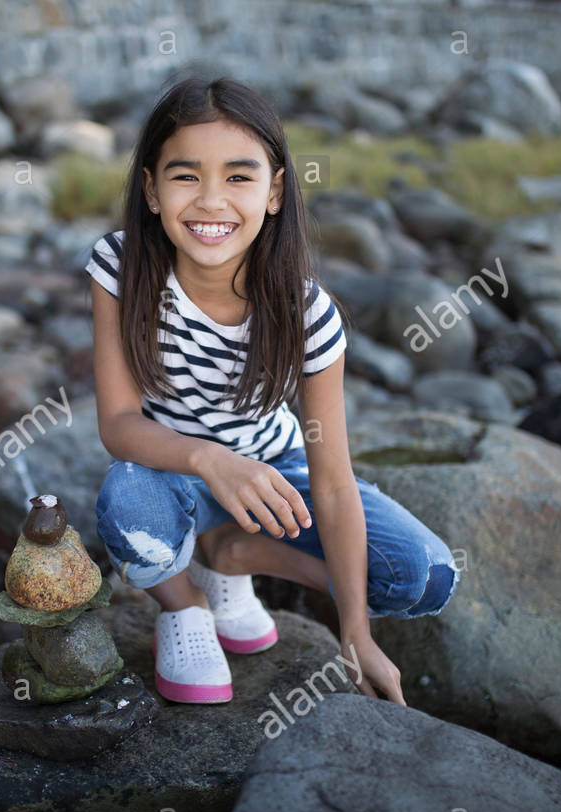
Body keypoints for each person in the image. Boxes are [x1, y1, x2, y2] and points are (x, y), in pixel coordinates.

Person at [88, 76, 459, 706]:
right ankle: (185, 603)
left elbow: (334, 482)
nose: (211, 202)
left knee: (422, 576)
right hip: (172, 470)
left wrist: (354, 632)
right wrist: (209, 459)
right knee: (126, 503)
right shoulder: (121, 269)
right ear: (151, 189)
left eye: (238, 177)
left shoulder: (307, 313)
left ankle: (233, 555)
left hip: (275, 471)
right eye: (185, 176)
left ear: (276, 190)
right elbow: (119, 422)